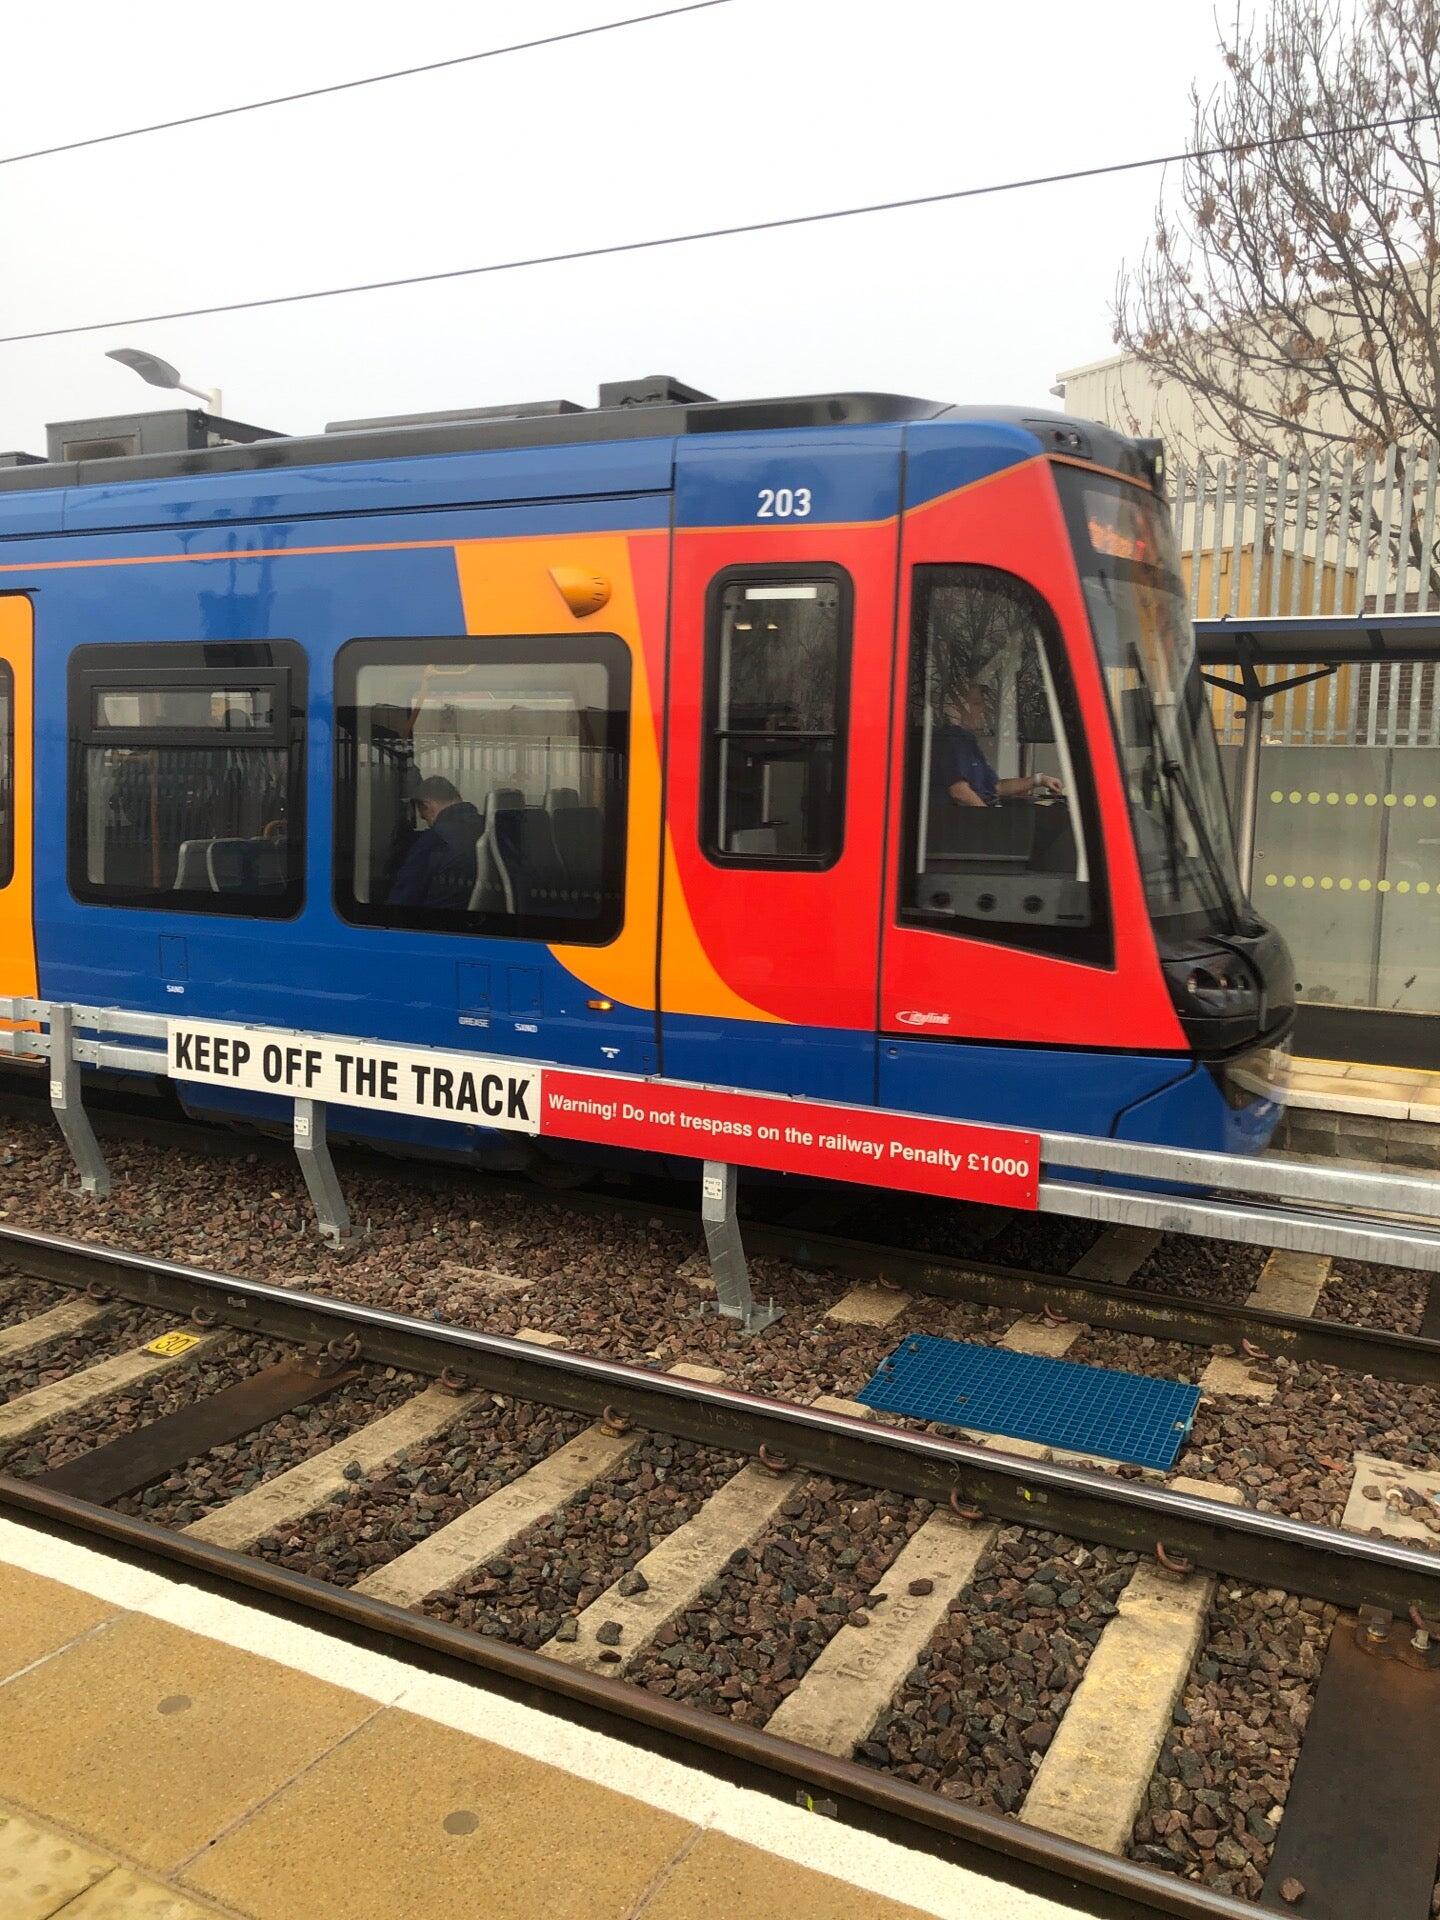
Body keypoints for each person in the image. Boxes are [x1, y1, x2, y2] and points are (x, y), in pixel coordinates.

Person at [930, 681, 1063, 810]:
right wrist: (990, 821)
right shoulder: (948, 741)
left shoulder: (968, 740)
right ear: (955, 707)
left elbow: (996, 786)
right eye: (976, 703)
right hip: (961, 823)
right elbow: (959, 792)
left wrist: (1039, 780)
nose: (982, 709)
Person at [386, 775, 483, 909]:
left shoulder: (434, 841)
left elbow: (401, 901)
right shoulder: (485, 828)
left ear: (426, 805)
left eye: (424, 818)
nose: (425, 821)